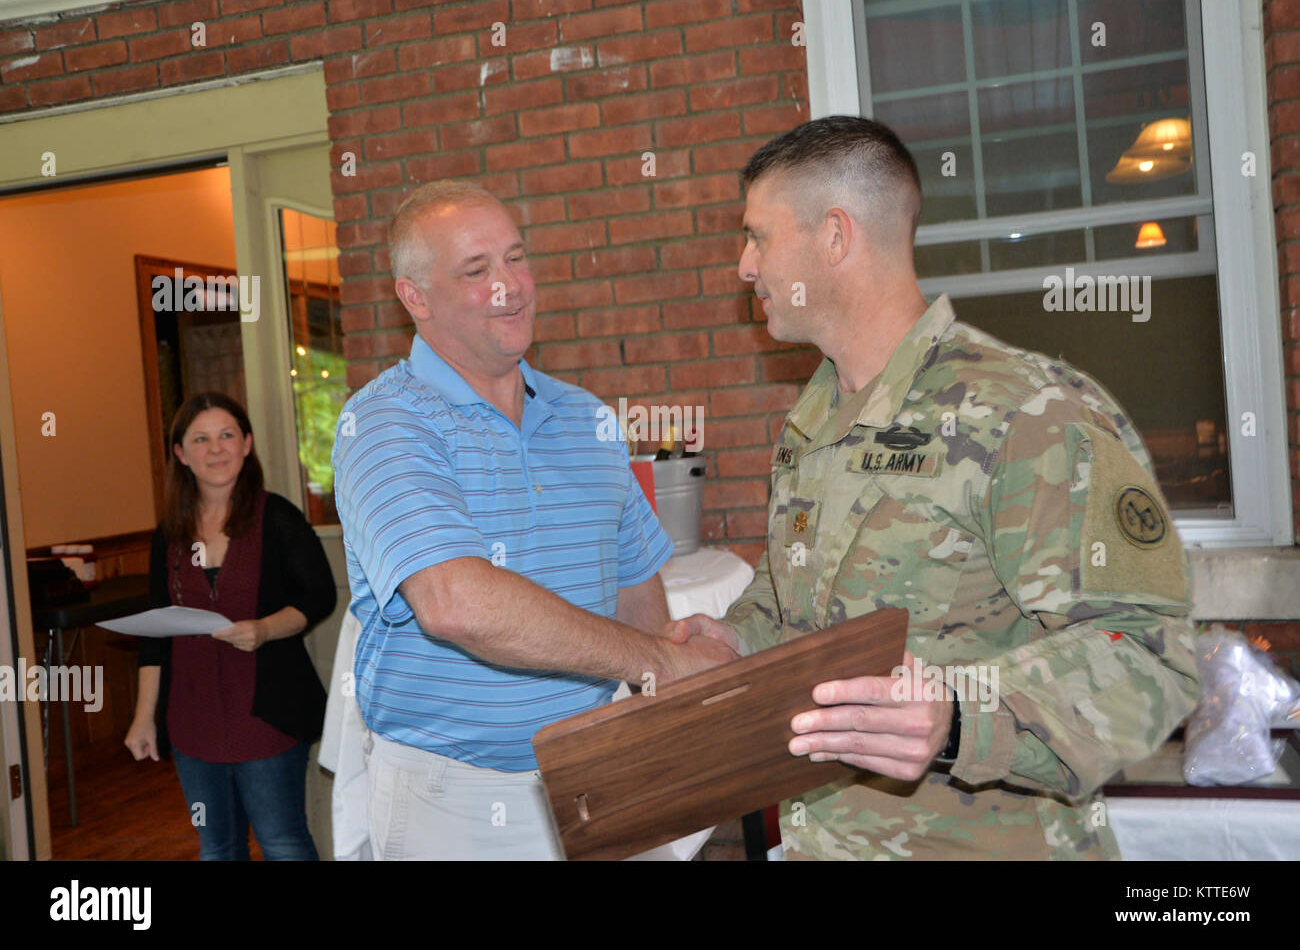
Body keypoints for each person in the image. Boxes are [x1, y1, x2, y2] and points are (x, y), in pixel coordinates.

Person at [675, 116, 1202, 859]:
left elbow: (1152, 656)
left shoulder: (1028, 413)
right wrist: (736, 635)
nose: (744, 266)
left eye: (758, 236)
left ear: (834, 236)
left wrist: (957, 716)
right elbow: (796, 603)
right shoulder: (811, 426)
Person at [332, 180, 736, 860]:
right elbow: (455, 603)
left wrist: (658, 716)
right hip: (455, 799)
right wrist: (663, 661)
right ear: (415, 298)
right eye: (476, 269)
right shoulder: (383, 424)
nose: (510, 286)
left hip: (598, 769)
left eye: (516, 258)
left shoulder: (585, 416)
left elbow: (636, 584)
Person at [125, 392, 335, 860]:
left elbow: (318, 596)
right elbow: (156, 635)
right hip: (192, 716)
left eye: (226, 435)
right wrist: (143, 718)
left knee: (282, 840)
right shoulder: (169, 533)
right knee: (216, 845)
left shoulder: (277, 517)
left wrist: (264, 629)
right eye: (200, 439)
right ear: (180, 454)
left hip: (267, 711)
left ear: (247, 444)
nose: (215, 449)